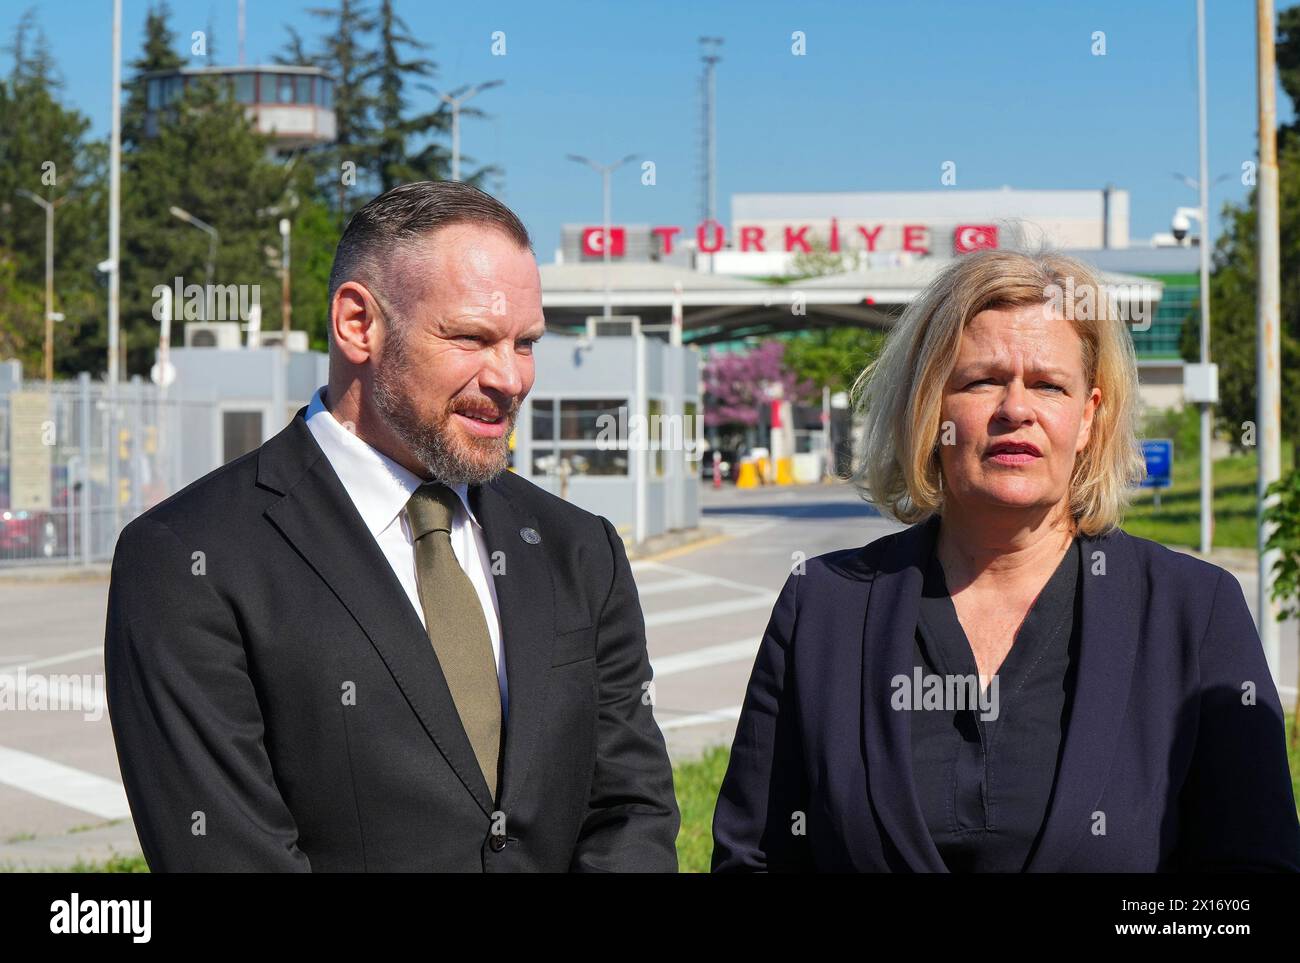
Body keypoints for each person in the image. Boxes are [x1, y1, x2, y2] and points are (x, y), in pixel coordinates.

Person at [105, 181, 679, 871]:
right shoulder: (187, 560)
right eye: (471, 337)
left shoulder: (580, 549)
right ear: (358, 323)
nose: (510, 377)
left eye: (525, 342)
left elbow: (631, 808)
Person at [712, 249, 1300, 872]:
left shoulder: (1191, 610)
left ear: (1089, 420)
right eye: (982, 380)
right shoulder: (825, 605)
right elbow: (753, 857)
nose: (1015, 409)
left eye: (1049, 385)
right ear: (929, 406)